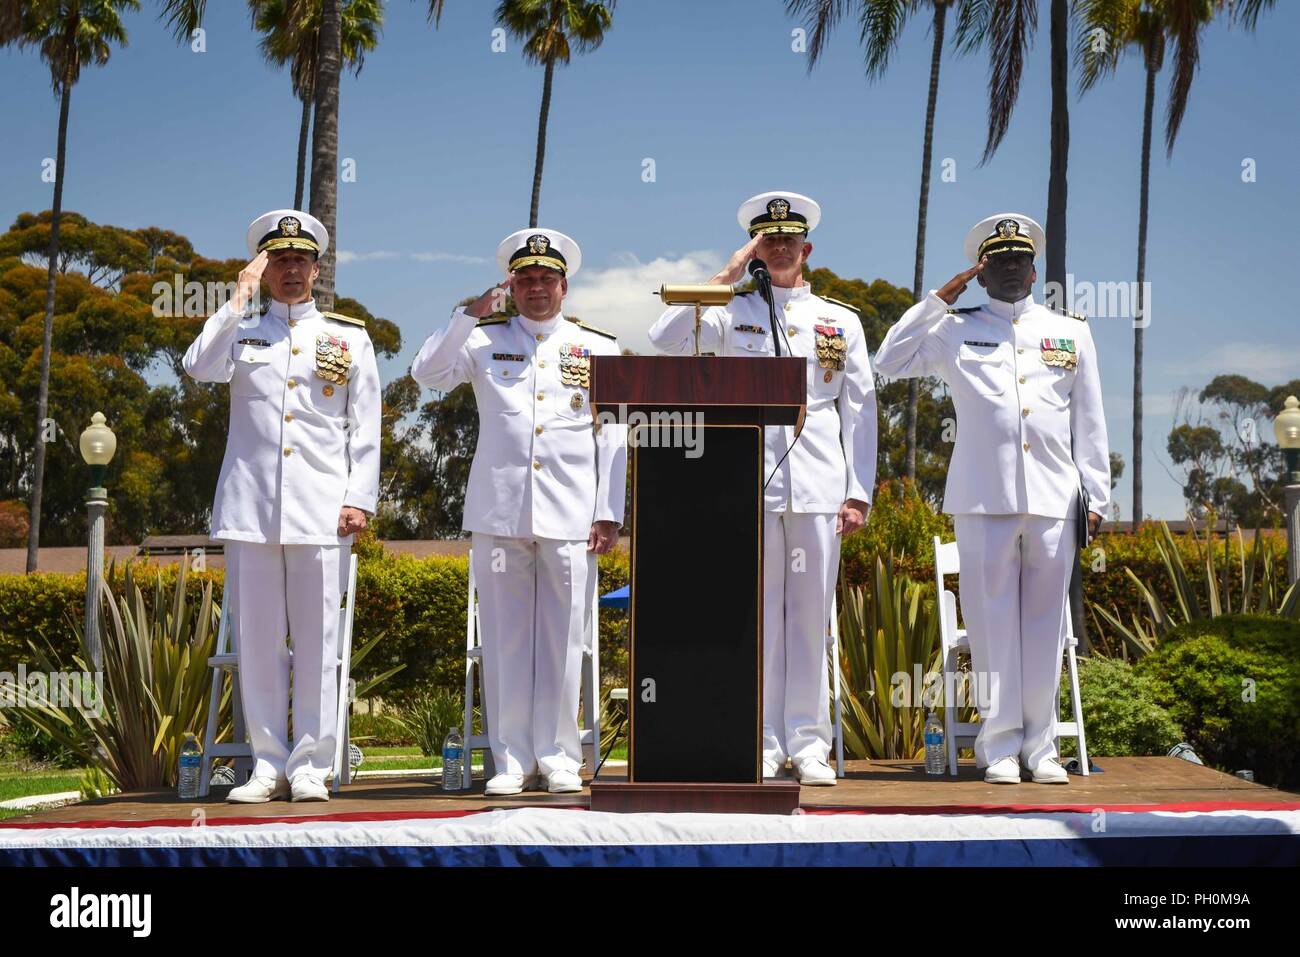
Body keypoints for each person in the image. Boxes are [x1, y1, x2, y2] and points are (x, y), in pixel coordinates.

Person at [647, 192, 878, 786]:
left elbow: (860, 412)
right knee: (756, 619)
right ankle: (760, 739)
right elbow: (666, 338)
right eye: (765, 240)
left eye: (786, 240)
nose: (778, 248)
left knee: (809, 618)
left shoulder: (840, 320)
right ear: (755, 247)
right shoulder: (731, 309)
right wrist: (726, 274)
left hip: (820, 485)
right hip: (746, 483)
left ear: (807, 248)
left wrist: (858, 491)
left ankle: (807, 743)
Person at [873, 213, 1110, 784]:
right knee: (990, 625)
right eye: (997, 262)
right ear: (982, 274)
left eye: (1019, 261)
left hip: (1055, 497)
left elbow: (1090, 418)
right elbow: (889, 362)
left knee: (1046, 626)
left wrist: (1096, 495)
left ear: (1034, 271)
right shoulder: (955, 327)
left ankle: (1042, 749)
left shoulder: (1070, 332)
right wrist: (938, 298)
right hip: (982, 498)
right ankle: (999, 747)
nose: (1010, 269)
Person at [410, 229, 626, 796]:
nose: (536, 288)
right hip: (500, 513)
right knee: (505, 639)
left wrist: (609, 511)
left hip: (573, 514)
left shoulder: (596, 347)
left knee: (564, 640)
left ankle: (557, 756)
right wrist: (469, 312)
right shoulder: (482, 341)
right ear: (511, 285)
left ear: (564, 286)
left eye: (545, 279)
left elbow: (614, 434)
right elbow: (425, 373)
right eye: (525, 279)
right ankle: (509, 759)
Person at [183, 209, 381, 803]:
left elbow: (364, 426)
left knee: (320, 643)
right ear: (265, 270)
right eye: (279, 261)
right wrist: (235, 298)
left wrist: (359, 499)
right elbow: (196, 367)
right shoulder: (242, 332)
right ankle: (267, 763)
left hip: (323, 511)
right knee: (260, 641)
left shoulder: (348, 336)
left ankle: (311, 766)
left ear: (317, 269)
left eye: (301, 260)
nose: (292, 270)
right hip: (251, 509)